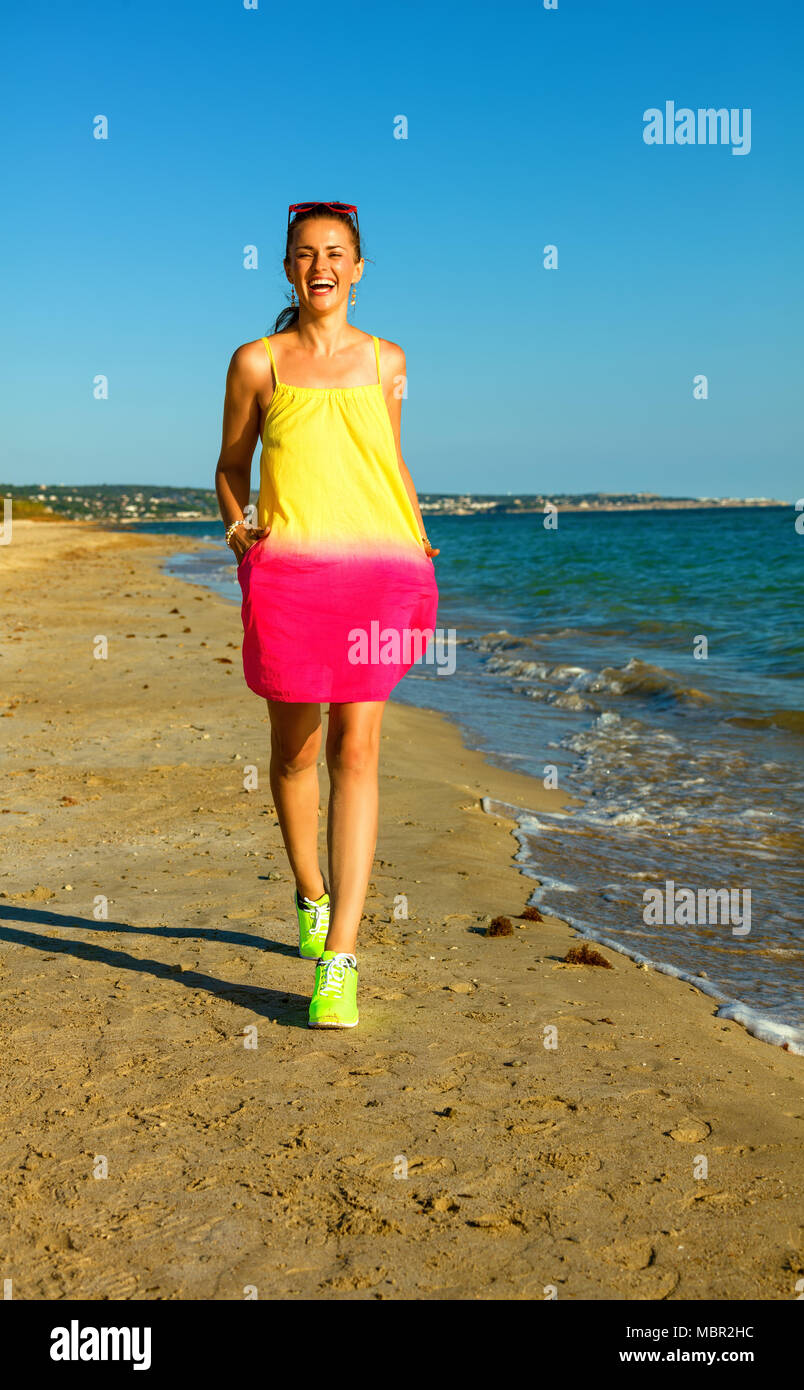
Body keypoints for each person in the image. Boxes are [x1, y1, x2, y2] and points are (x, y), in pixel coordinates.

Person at [215, 201, 439, 1029]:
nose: (322, 265)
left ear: (358, 268)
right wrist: (239, 528)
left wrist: (419, 535)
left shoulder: (389, 362)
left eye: (337, 253)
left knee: (360, 745)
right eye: (306, 254)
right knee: (295, 752)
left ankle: (339, 957)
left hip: (380, 569)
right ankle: (310, 891)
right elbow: (231, 468)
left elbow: (389, 459)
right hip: (291, 573)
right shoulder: (256, 364)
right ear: (286, 269)